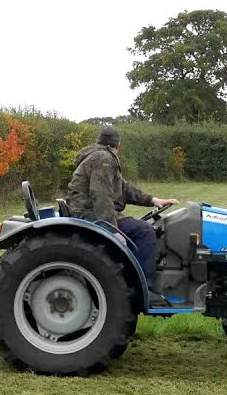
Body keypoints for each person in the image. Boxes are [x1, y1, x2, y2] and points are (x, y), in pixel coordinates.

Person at [65, 126, 178, 303]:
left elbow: (123, 188)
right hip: (91, 214)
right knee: (144, 231)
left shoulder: (99, 157)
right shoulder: (103, 159)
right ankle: (145, 291)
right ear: (117, 144)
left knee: (139, 228)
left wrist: (153, 200)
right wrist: (112, 229)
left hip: (89, 212)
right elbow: (101, 195)